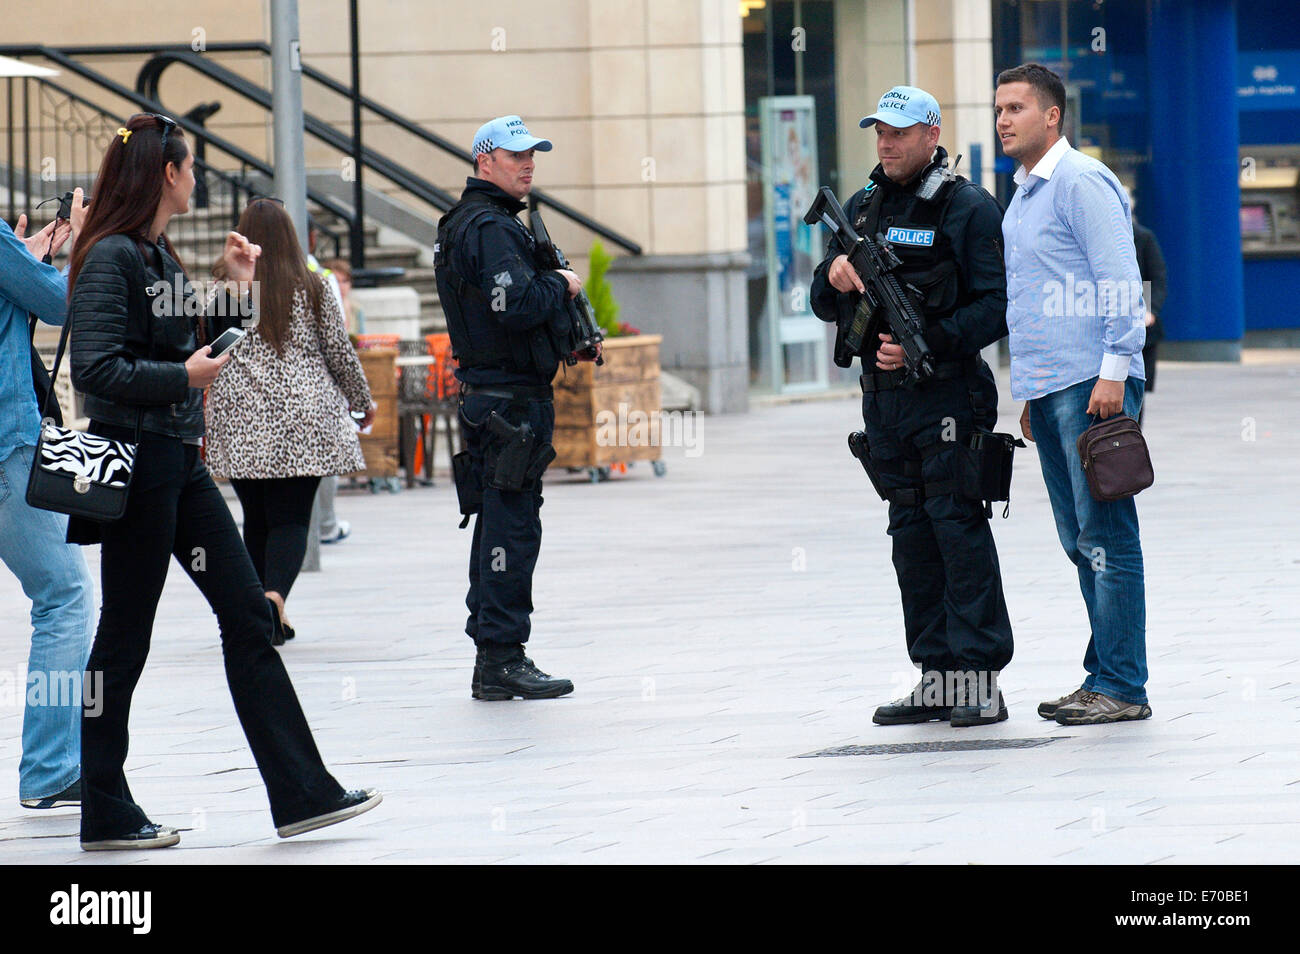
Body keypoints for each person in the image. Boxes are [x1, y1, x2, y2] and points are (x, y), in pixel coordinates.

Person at [66, 112, 380, 850]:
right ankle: (104, 807)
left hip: (179, 462)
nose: (200, 176)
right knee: (122, 640)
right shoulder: (112, 255)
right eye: (192, 165)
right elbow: (97, 369)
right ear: (166, 173)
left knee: (248, 616)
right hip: (139, 468)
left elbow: (188, 340)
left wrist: (234, 293)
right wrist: (183, 374)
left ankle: (304, 792)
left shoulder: (153, 251)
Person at [810, 86, 1014, 727]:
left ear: (932, 132)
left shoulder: (967, 206)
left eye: (899, 132)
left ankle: (979, 678)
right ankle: (936, 676)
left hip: (949, 392)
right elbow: (821, 300)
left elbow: (997, 304)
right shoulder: (862, 206)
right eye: (879, 132)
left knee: (958, 529)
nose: (886, 143)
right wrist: (834, 274)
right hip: (886, 406)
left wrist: (933, 343)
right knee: (910, 536)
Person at [995, 63, 1151, 725]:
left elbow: (1119, 276)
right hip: (1051, 386)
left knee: (1108, 536)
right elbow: (1031, 297)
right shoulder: (1024, 193)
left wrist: (1117, 368)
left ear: (1052, 115)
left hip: (1093, 384)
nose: (1003, 120)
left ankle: (1123, 686)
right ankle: (1103, 676)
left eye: (1016, 108)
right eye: (998, 109)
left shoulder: (1081, 181)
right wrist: (1027, 391)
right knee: (1080, 537)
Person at [435, 114, 594, 700]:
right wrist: (564, 284)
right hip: (508, 406)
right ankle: (502, 656)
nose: (528, 164)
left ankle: (495, 657)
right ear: (485, 162)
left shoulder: (475, 222)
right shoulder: (490, 227)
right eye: (515, 155)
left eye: (533, 155)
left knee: (499, 525)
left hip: (493, 399)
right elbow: (515, 303)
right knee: (511, 528)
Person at [205, 198, 375, 644]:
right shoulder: (314, 286)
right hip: (304, 413)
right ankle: (275, 598)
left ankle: (257, 610)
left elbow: (212, 346)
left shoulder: (223, 287)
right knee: (292, 519)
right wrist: (361, 399)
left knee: (256, 517)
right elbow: (338, 350)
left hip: (241, 413)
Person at [0, 193, 96, 811]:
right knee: (65, 596)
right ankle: (51, 768)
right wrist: (85, 238)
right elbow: (65, 303)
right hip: (7, 447)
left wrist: (25, 259)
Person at [1132, 213, 1167, 428]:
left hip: (1142, 328)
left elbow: (1155, 276)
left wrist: (1149, 310)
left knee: (1136, 388)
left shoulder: (1143, 237)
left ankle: (1131, 440)